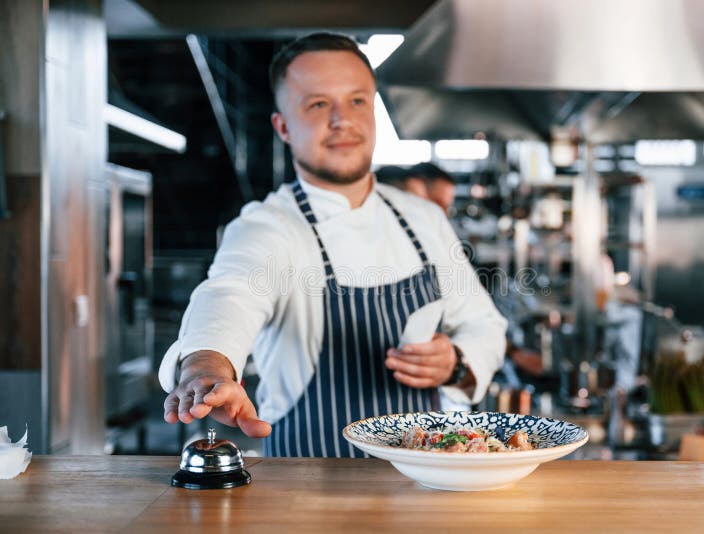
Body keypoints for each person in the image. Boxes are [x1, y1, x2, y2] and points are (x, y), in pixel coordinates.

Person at [159, 33, 507, 458]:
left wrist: (454, 360)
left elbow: (483, 324)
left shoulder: (423, 218)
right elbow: (229, 294)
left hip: (422, 492)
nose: (342, 119)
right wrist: (206, 369)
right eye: (318, 104)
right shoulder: (269, 226)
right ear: (283, 126)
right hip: (308, 495)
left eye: (357, 100)